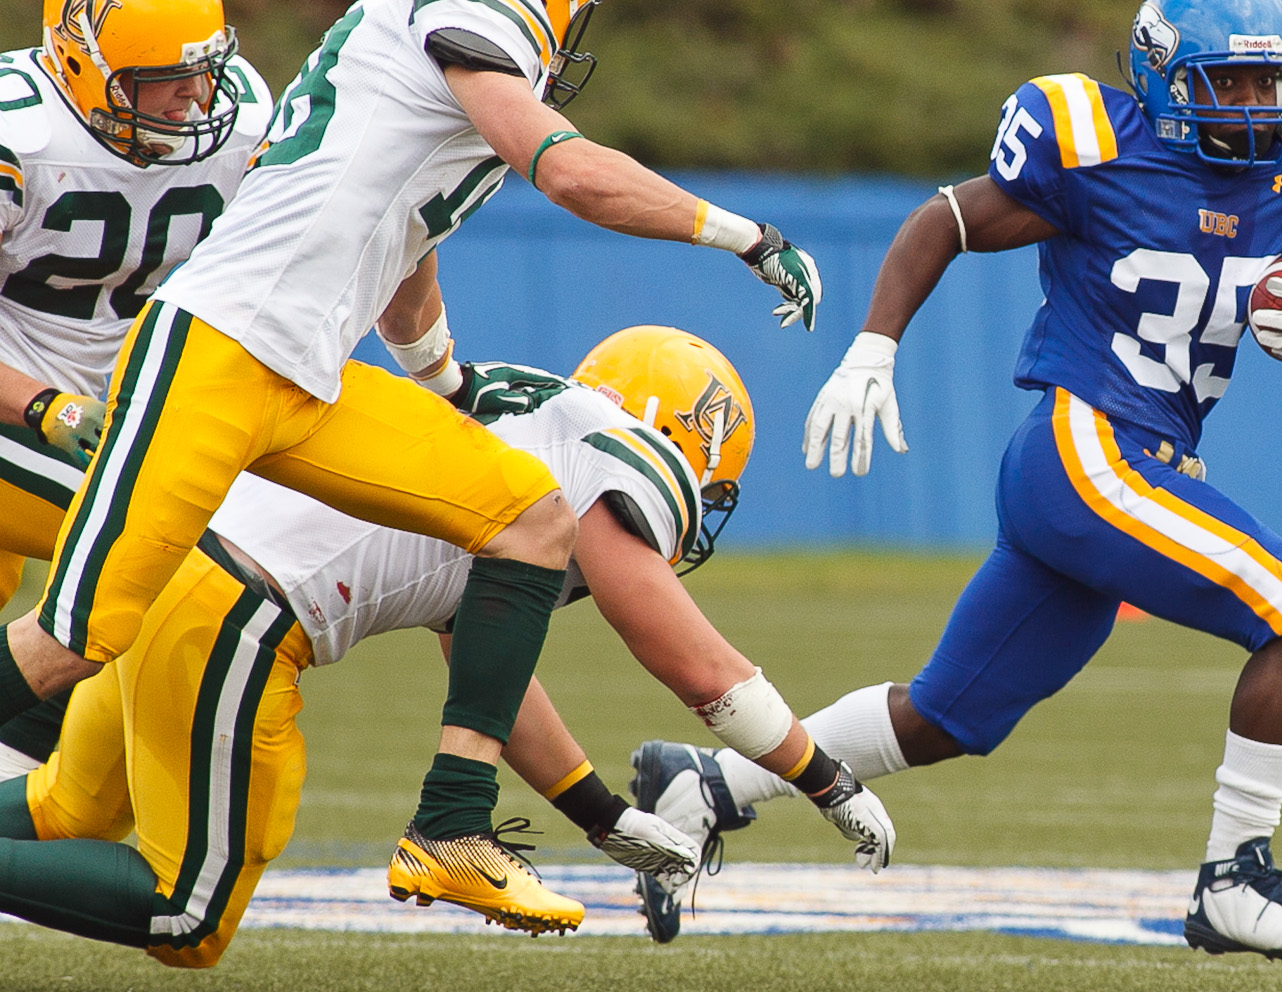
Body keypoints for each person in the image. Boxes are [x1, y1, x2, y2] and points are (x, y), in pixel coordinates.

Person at [0, 0, 825, 935]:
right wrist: (745, 234)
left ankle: (452, 830)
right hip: (217, 353)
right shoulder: (471, 11)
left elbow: (402, 240)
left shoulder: (414, 50)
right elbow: (568, 172)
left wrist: (441, 385)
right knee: (73, 647)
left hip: (304, 376)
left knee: (527, 516)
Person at [633, 0, 1282, 961]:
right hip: (1088, 450)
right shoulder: (1098, 150)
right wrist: (875, 347)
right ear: (1164, 76)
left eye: (1271, 84)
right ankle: (1233, 879)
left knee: (949, 715)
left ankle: (704, 787)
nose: (1259, 108)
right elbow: (947, 220)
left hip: (1130, 463)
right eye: (1231, 82)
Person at [0, 327, 891, 964]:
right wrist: (822, 775)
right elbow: (692, 661)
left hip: (180, 562)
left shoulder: (531, 422)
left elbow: (483, 662)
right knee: (184, 916)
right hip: (238, 611)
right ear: (681, 436)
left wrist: (598, 813)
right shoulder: (615, 451)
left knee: (66, 813)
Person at [0, 0, 274, 779]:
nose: (195, 102)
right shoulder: (21, 135)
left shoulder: (243, 120)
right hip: (21, 404)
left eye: (204, 71)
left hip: (127, 411)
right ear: (81, 64)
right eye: (165, 82)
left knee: (144, 594)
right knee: (154, 565)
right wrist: (43, 404)